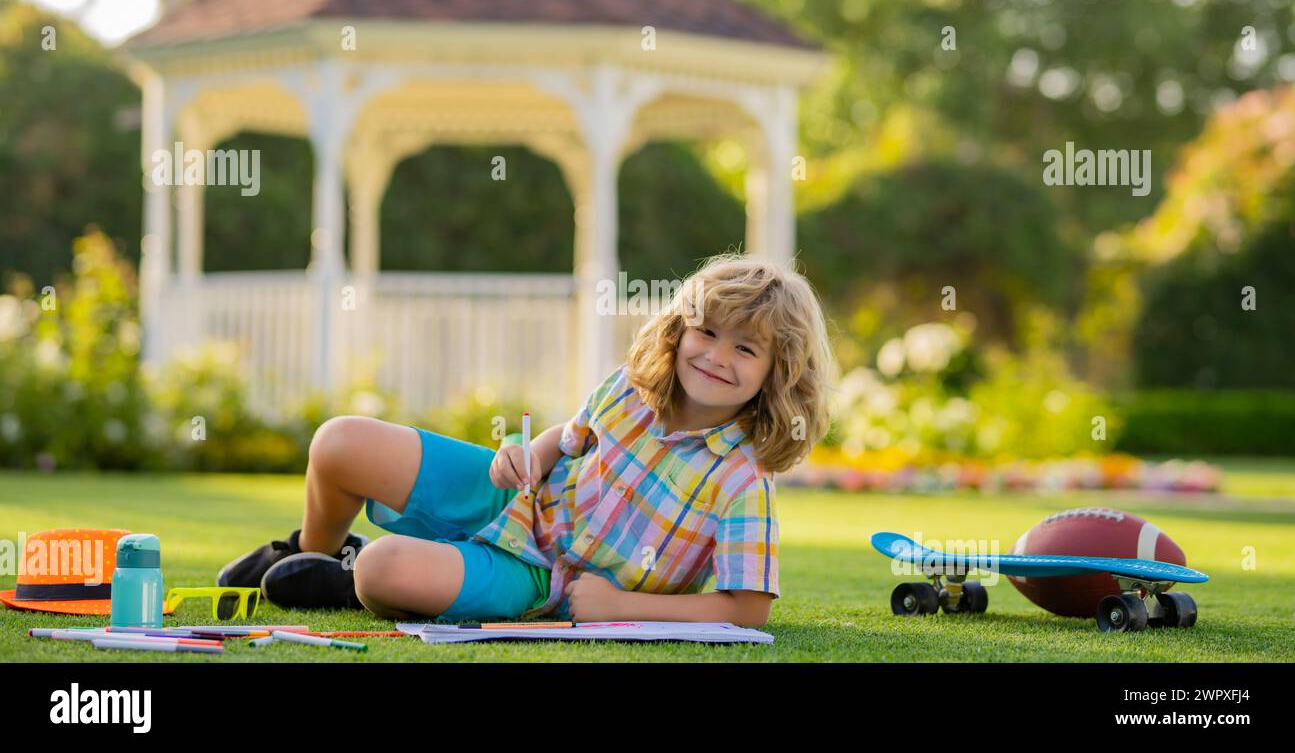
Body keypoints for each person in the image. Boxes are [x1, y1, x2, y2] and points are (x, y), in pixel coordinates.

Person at [216, 252, 836, 627]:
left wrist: (621, 608)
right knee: (338, 441)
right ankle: (312, 553)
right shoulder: (628, 388)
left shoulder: (741, 481)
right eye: (707, 333)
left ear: (777, 374)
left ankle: (348, 579)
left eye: (745, 348)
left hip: (540, 575)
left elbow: (746, 609)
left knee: (382, 569)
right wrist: (524, 455)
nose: (717, 357)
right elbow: (565, 440)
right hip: (513, 495)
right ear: (680, 330)